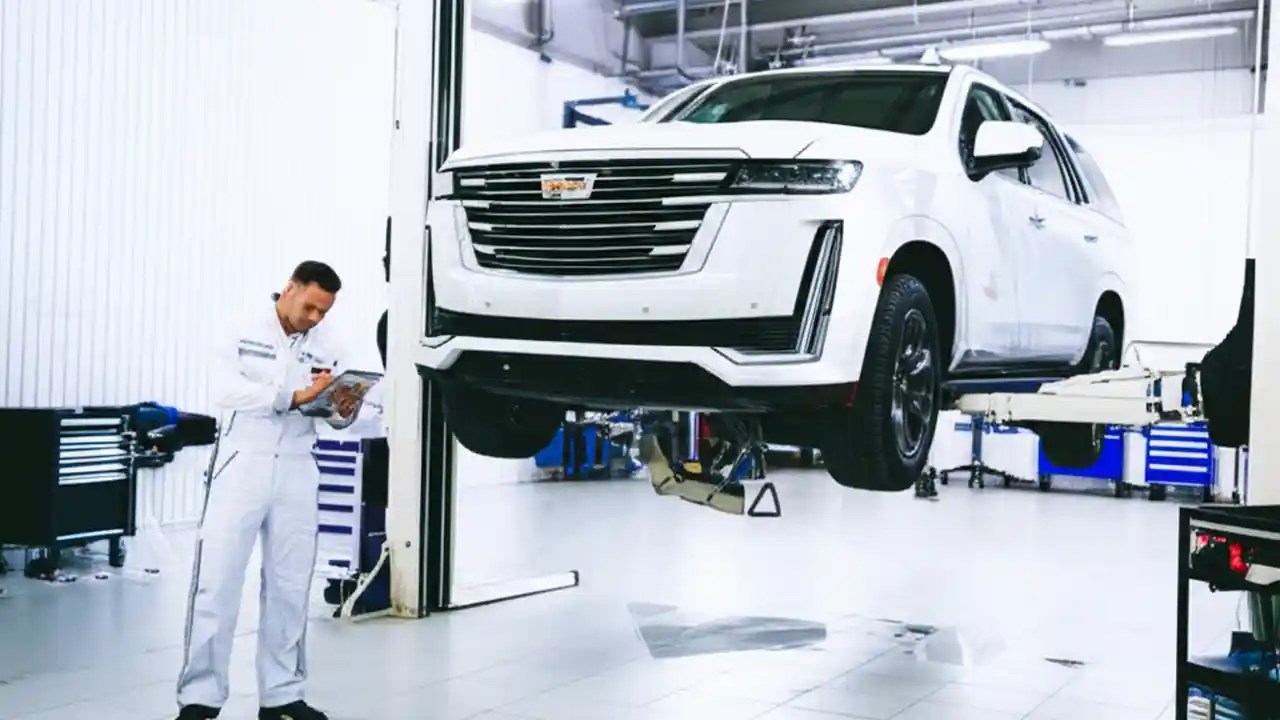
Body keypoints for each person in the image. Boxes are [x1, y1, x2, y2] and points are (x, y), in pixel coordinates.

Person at [175, 261, 365, 720]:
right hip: (242, 464)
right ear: (290, 288)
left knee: (290, 584)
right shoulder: (241, 327)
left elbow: (339, 419)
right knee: (216, 583)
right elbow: (225, 390)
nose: (316, 318)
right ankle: (200, 697)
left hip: (300, 467)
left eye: (325, 311)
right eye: (311, 306)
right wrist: (292, 397)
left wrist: (343, 407)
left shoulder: (330, 344)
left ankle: (281, 696)